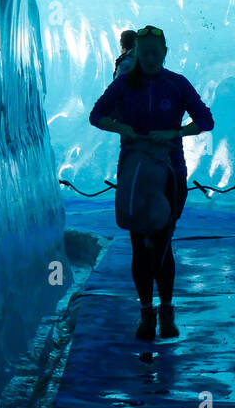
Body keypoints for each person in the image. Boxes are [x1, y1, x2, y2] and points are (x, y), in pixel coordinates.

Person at [89, 25, 213, 340]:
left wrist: (174, 133)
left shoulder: (176, 84)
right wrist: (121, 128)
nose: (151, 58)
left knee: (162, 241)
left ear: (165, 52)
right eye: (145, 53)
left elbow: (205, 119)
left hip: (170, 171)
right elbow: (96, 115)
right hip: (134, 172)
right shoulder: (124, 85)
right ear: (137, 53)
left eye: (156, 53)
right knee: (138, 245)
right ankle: (147, 311)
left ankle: (167, 308)